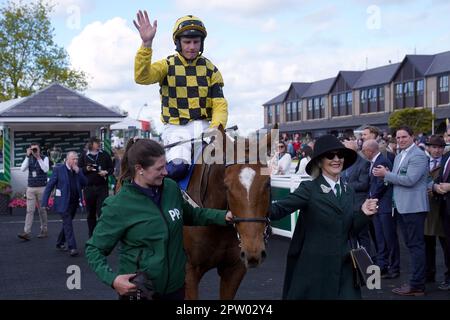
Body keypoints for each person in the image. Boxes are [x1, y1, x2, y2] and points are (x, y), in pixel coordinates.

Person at [85, 139, 233, 300]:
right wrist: (112, 280)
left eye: (165, 165)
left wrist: (223, 216)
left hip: (176, 290)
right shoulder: (118, 205)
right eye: (159, 168)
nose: (166, 172)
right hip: (141, 293)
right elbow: (94, 249)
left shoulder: (170, 188)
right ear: (139, 169)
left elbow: (191, 214)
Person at [270, 135, 378, 299]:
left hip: (345, 267)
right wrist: (245, 206)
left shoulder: (348, 190)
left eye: (340, 155)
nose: (336, 159)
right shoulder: (309, 188)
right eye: (330, 155)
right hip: (315, 270)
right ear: (319, 162)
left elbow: (348, 228)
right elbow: (278, 210)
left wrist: (364, 214)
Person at [133, 11, 228, 181]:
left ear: (202, 43)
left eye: (196, 42)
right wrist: (146, 44)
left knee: (233, 163)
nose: (192, 46)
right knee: (178, 168)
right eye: (187, 42)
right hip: (177, 129)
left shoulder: (211, 69)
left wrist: (216, 128)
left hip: (207, 126)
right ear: (178, 43)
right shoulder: (166, 66)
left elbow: (219, 104)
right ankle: (164, 202)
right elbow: (142, 77)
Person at [373, 126, 429, 296]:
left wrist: (386, 174)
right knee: (412, 245)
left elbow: (410, 180)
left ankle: (417, 284)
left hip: (413, 208)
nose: (401, 140)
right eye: (398, 137)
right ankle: (416, 281)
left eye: (404, 137)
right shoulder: (399, 156)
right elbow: (398, 178)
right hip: (401, 207)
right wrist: (387, 175)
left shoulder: (418, 155)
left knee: (416, 246)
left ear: (413, 137)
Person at [362, 139, 400, 279]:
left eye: (364, 150)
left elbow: (382, 184)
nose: (363, 153)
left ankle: (394, 267)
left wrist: (371, 198)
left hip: (384, 205)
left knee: (389, 238)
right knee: (380, 238)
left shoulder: (381, 162)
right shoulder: (375, 162)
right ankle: (383, 265)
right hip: (378, 206)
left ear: (370, 151)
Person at [41, 152, 87, 257]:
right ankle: (72, 247)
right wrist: (44, 202)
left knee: (67, 223)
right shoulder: (59, 169)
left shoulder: (77, 170)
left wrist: (79, 172)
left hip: (74, 202)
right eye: (73, 159)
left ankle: (59, 242)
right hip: (63, 202)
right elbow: (50, 186)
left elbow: (85, 182)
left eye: (76, 159)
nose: (75, 161)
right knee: (68, 223)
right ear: (67, 159)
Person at [424, 135, 450, 284]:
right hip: (427, 211)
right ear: (428, 148)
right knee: (428, 246)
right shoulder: (423, 162)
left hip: (443, 210)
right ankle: (429, 275)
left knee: (446, 247)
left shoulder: (446, 161)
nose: (437, 150)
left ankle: (447, 277)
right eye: (434, 147)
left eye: (440, 147)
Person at [78, 137, 114, 238]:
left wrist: (106, 172)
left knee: (102, 212)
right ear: (91, 144)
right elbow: (79, 170)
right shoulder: (84, 155)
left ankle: (102, 234)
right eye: (97, 143)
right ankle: (92, 235)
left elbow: (111, 168)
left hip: (102, 187)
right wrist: (86, 168)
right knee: (90, 213)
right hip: (88, 188)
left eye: (99, 143)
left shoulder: (104, 154)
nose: (99, 144)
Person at [17, 143, 50, 241]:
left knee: (42, 210)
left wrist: (38, 158)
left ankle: (44, 230)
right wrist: (27, 156)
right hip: (31, 188)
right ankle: (26, 232)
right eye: (33, 149)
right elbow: (22, 169)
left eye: (36, 149)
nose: (34, 151)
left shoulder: (45, 158)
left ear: (39, 149)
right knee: (29, 211)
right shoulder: (29, 158)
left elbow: (46, 169)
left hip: (42, 188)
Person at [432, 139, 450, 290]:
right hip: (444, 208)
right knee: (446, 246)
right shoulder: (447, 156)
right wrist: (436, 186)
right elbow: (440, 177)